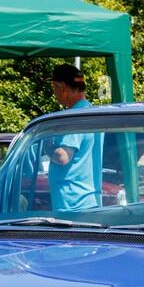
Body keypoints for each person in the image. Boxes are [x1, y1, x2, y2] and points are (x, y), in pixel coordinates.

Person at [46, 63, 100, 212]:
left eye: (54, 88)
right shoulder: (93, 112)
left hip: (72, 202)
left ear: (62, 87)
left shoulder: (75, 117)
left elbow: (63, 156)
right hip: (87, 199)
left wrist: (46, 144)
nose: (54, 93)